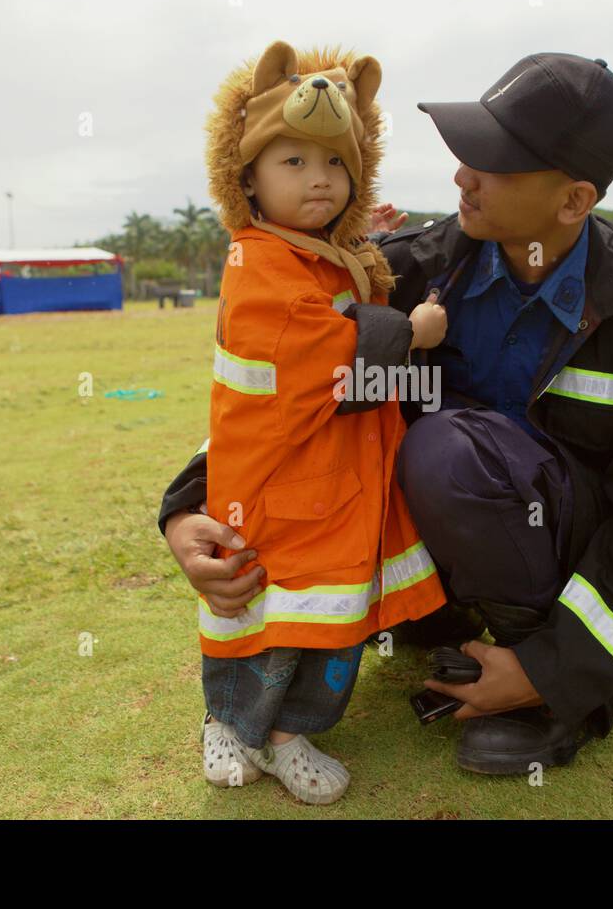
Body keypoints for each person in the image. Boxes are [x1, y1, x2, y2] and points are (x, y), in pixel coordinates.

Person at [161, 51, 613, 776]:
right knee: (421, 444)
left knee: (447, 450)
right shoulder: (403, 271)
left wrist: (551, 670)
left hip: (559, 568)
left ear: (574, 201)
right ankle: (430, 629)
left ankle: (526, 687)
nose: (462, 175)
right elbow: (284, 391)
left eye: (492, 161)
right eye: (466, 150)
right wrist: (185, 509)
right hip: (424, 571)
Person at [185, 40, 450, 804]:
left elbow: (349, 290)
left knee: (327, 617)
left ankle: (285, 732)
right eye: (293, 162)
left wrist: (363, 250)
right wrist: (412, 331)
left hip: (337, 481)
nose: (318, 180)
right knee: (262, 613)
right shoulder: (257, 261)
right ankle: (226, 722)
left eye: (335, 165)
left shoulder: (329, 254)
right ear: (247, 177)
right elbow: (319, 348)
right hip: (270, 481)